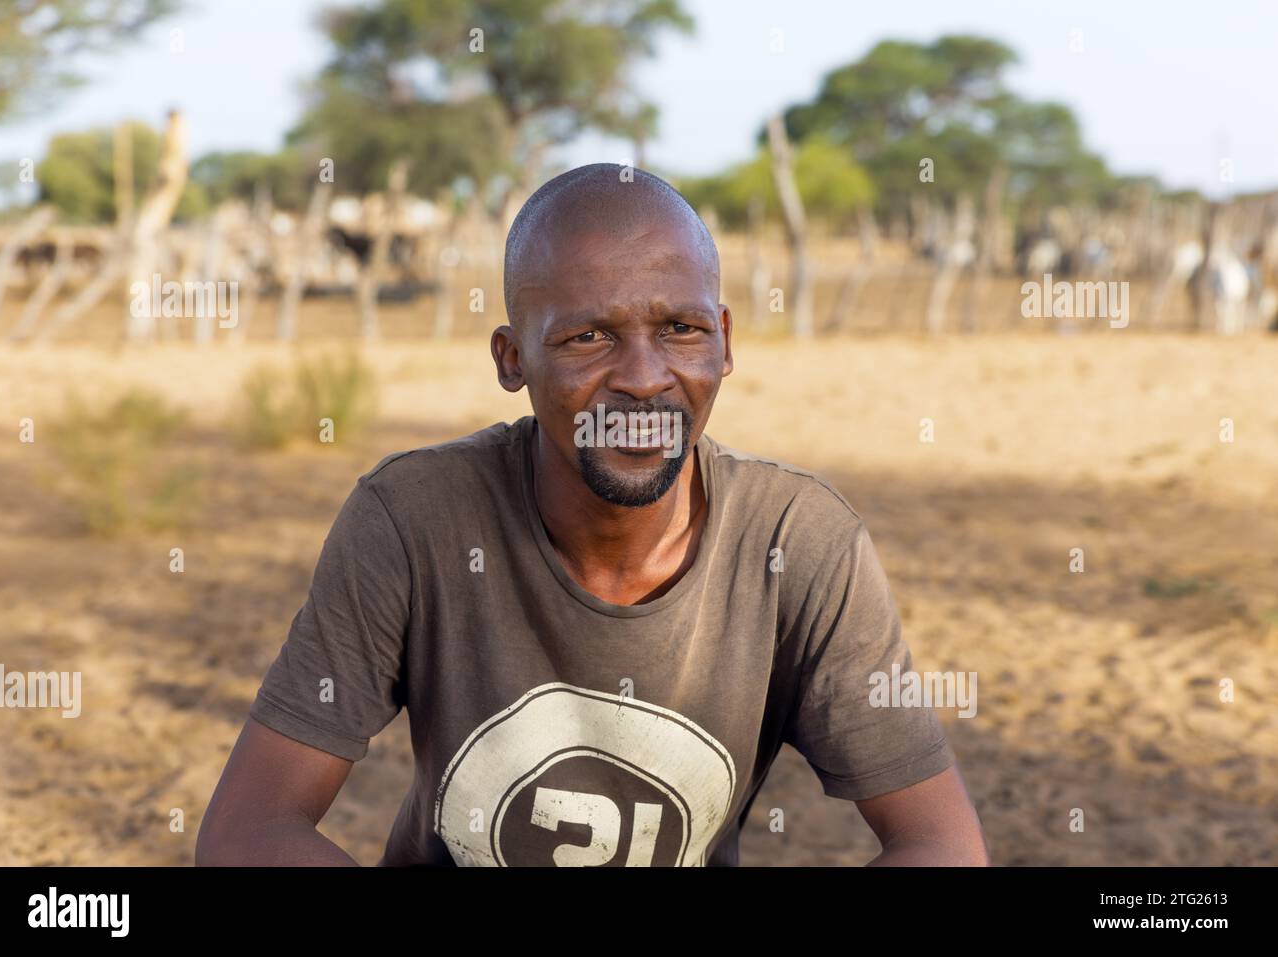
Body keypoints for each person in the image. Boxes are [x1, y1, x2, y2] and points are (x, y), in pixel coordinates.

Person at [196, 163, 989, 867]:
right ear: (513, 359)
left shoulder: (800, 545)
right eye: (588, 337)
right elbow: (248, 830)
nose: (644, 378)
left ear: (724, 340)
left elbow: (940, 843)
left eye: (679, 328)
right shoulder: (413, 521)